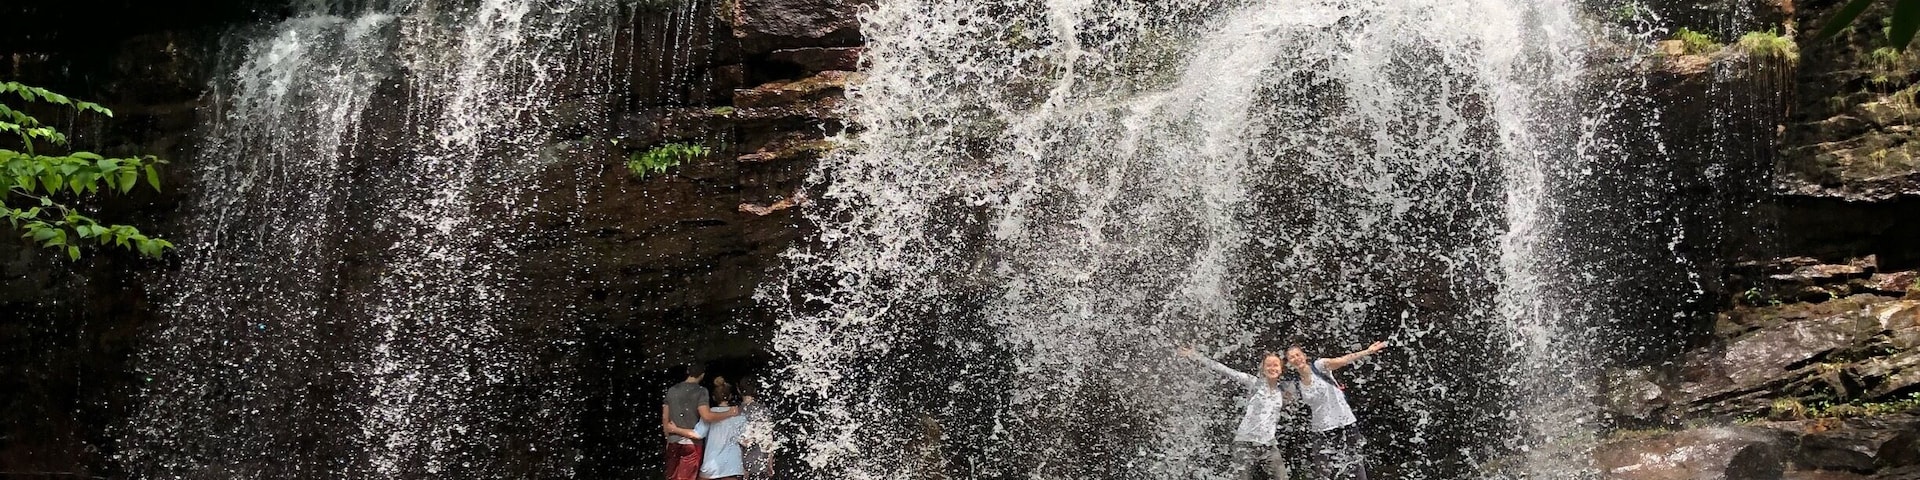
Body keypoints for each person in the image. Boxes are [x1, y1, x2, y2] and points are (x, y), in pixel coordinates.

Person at [1180, 346, 1294, 480]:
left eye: (1275, 365)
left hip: (1269, 445)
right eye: (1268, 365)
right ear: (1263, 369)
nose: (1272, 368)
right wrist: (1195, 355)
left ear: (1281, 370)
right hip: (1245, 443)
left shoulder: (1282, 392)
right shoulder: (1254, 383)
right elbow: (1226, 370)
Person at [1289, 341, 1387, 480]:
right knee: (1324, 473)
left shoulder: (1319, 366)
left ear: (1304, 356)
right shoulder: (1295, 383)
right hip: (1321, 431)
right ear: (1289, 363)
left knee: (1356, 466)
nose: (1296, 358)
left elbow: (1343, 360)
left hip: (1345, 424)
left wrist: (1367, 351)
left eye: (1298, 354)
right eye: (1291, 357)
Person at [664, 363, 729, 480]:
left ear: (687, 372)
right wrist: (730, 413)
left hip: (673, 441)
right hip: (692, 443)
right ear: (702, 375)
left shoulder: (672, 390)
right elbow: (706, 416)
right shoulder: (701, 391)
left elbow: (665, 418)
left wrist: (668, 438)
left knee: (671, 477)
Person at [696, 377, 750, 480]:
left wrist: (675, 429)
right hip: (733, 465)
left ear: (713, 398)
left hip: (711, 465)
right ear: (730, 396)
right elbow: (745, 442)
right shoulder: (739, 416)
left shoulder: (709, 414)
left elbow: (698, 434)